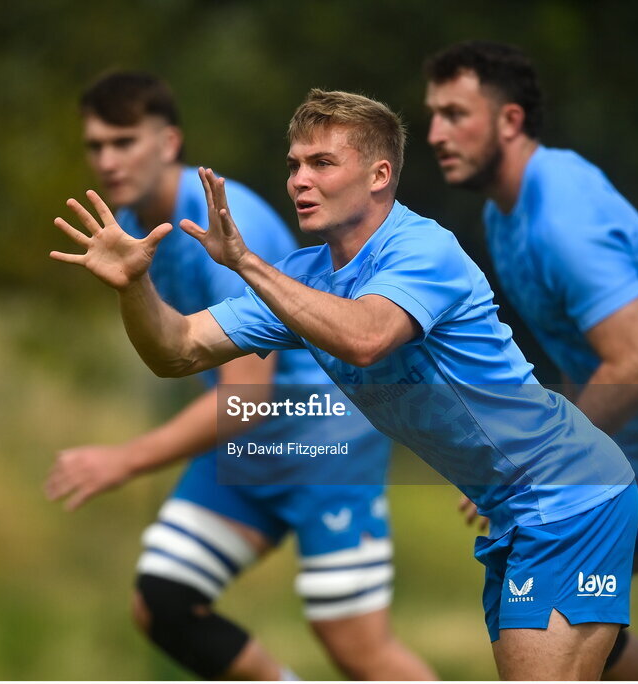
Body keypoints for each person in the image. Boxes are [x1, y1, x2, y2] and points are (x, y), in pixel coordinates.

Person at [50, 86, 638, 680]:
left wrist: (246, 264)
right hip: (515, 506)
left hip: (570, 493)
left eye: (322, 163)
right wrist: (133, 287)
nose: (299, 181)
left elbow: (367, 337)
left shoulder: (422, 248)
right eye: (294, 165)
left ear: (379, 174)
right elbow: (176, 351)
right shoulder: (303, 276)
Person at [44, 71, 433, 681]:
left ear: (169, 142)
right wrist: (133, 283)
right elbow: (173, 351)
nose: (109, 159)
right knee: (163, 603)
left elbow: (246, 399)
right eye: (97, 145)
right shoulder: (127, 225)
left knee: (357, 648)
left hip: (321, 442)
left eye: (125, 142)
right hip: (246, 450)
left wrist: (128, 458)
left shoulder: (217, 222)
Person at [423, 40, 638, 680]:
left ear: (510, 121)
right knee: (569, 621)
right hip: (630, 454)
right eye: (433, 115)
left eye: (455, 114)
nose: (435, 133)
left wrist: (539, 456)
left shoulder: (562, 215)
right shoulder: (504, 216)